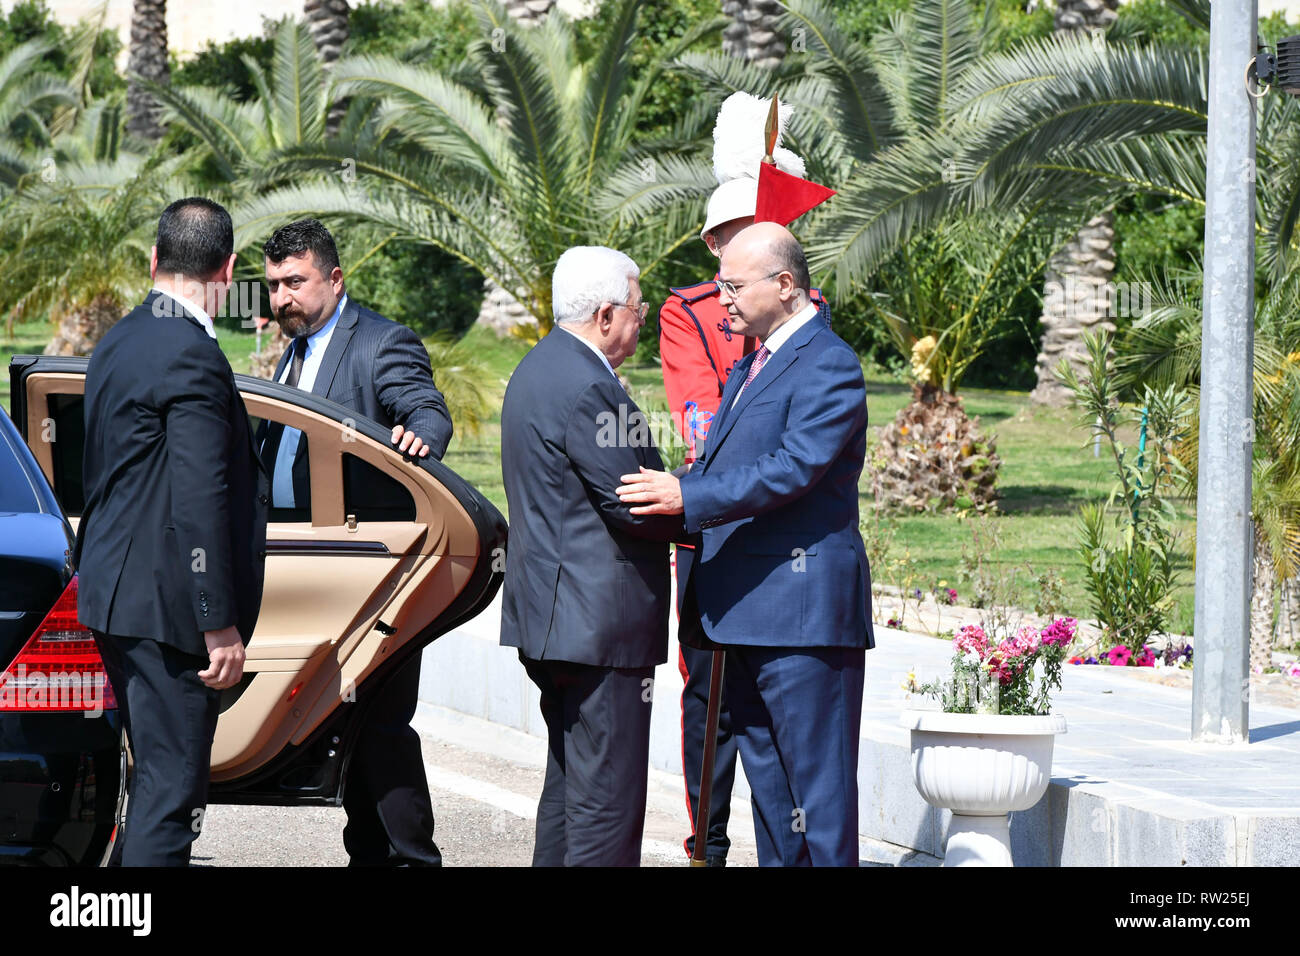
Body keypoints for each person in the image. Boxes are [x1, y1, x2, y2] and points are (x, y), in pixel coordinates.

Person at [619, 222, 872, 867]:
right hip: (746, 614)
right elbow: (722, 466)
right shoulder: (752, 361)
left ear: (785, 285)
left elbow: (794, 466)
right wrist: (673, 492)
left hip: (802, 617)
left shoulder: (829, 363)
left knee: (817, 793)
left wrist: (688, 499)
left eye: (732, 285)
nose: (721, 297)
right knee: (771, 789)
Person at [659, 94, 830, 866]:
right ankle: (708, 844)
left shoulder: (812, 313)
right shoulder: (688, 312)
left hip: (787, 537)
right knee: (710, 700)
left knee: (779, 716)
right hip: (718, 522)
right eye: (729, 244)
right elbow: (703, 421)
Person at [75, 197, 268, 866]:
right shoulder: (192, 354)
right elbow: (199, 497)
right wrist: (217, 620)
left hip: (114, 598)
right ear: (229, 269)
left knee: (152, 782)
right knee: (170, 797)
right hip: (169, 611)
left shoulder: (121, 337)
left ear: (155, 259)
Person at [260, 218, 453, 866]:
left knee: (383, 728)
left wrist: (421, 433)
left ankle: (413, 858)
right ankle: (370, 855)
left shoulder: (378, 342)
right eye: (274, 285)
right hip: (312, 567)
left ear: (334, 279)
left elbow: (425, 408)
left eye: (296, 282)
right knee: (353, 729)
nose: (283, 297)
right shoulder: (292, 352)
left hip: (374, 572)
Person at [500, 246, 684, 866]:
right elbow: (637, 501)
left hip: (556, 623)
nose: (645, 315)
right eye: (638, 306)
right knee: (607, 804)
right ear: (606, 315)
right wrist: (710, 507)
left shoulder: (539, 366)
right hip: (598, 629)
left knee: (570, 792)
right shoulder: (588, 386)